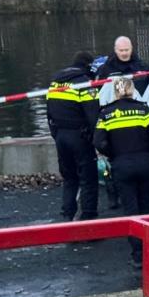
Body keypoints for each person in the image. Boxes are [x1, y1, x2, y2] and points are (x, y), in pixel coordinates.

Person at [94, 77, 149, 268]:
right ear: (132, 91)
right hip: (145, 163)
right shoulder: (144, 109)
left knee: (131, 211)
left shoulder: (106, 114)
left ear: (115, 92)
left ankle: (137, 255)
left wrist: (113, 155)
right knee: (145, 207)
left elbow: (99, 142)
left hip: (122, 165)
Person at [95, 36, 149, 209]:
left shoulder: (141, 66)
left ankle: (144, 192)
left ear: (131, 48)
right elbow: (98, 91)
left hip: (136, 115)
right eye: (121, 51)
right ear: (115, 49)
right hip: (114, 117)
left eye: (127, 50)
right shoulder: (106, 69)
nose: (125, 53)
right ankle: (112, 192)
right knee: (108, 165)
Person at [47, 51, 100, 222]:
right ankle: (88, 219)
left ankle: (67, 216)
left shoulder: (55, 83)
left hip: (61, 136)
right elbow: (93, 116)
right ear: (89, 66)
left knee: (70, 178)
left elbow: (49, 114)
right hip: (80, 137)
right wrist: (96, 140)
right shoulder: (84, 83)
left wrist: (56, 135)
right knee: (88, 179)